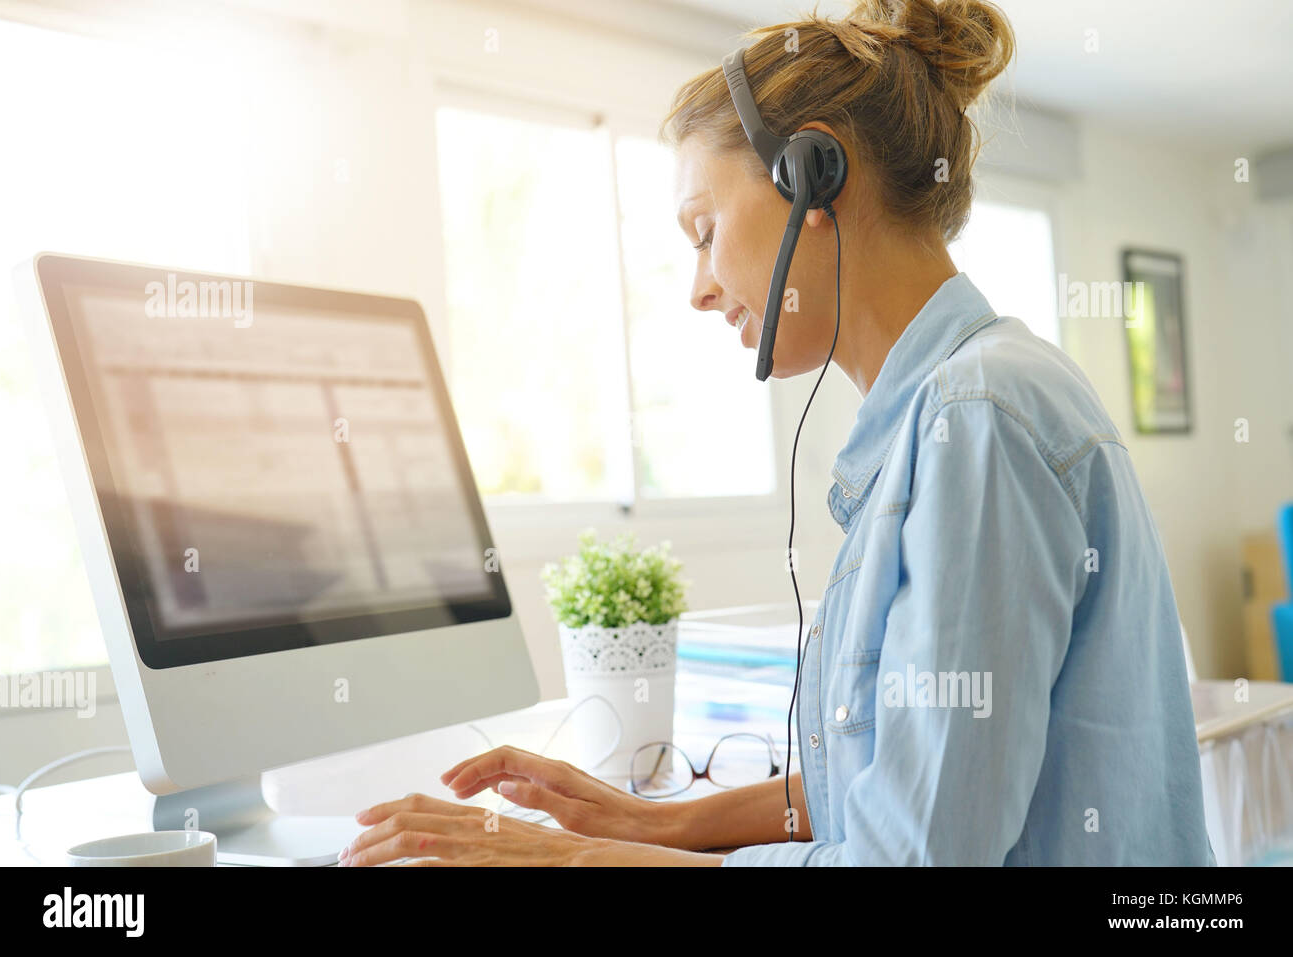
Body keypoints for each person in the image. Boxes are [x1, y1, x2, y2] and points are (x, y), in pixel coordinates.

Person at [341, 0, 1215, 867]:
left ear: (815, 175)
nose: (699, 287)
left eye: (704, 230)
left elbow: (913, 859)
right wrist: (656, 824)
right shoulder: (953, 413)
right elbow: (901, 781)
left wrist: (563, 862)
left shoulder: (975, 423)